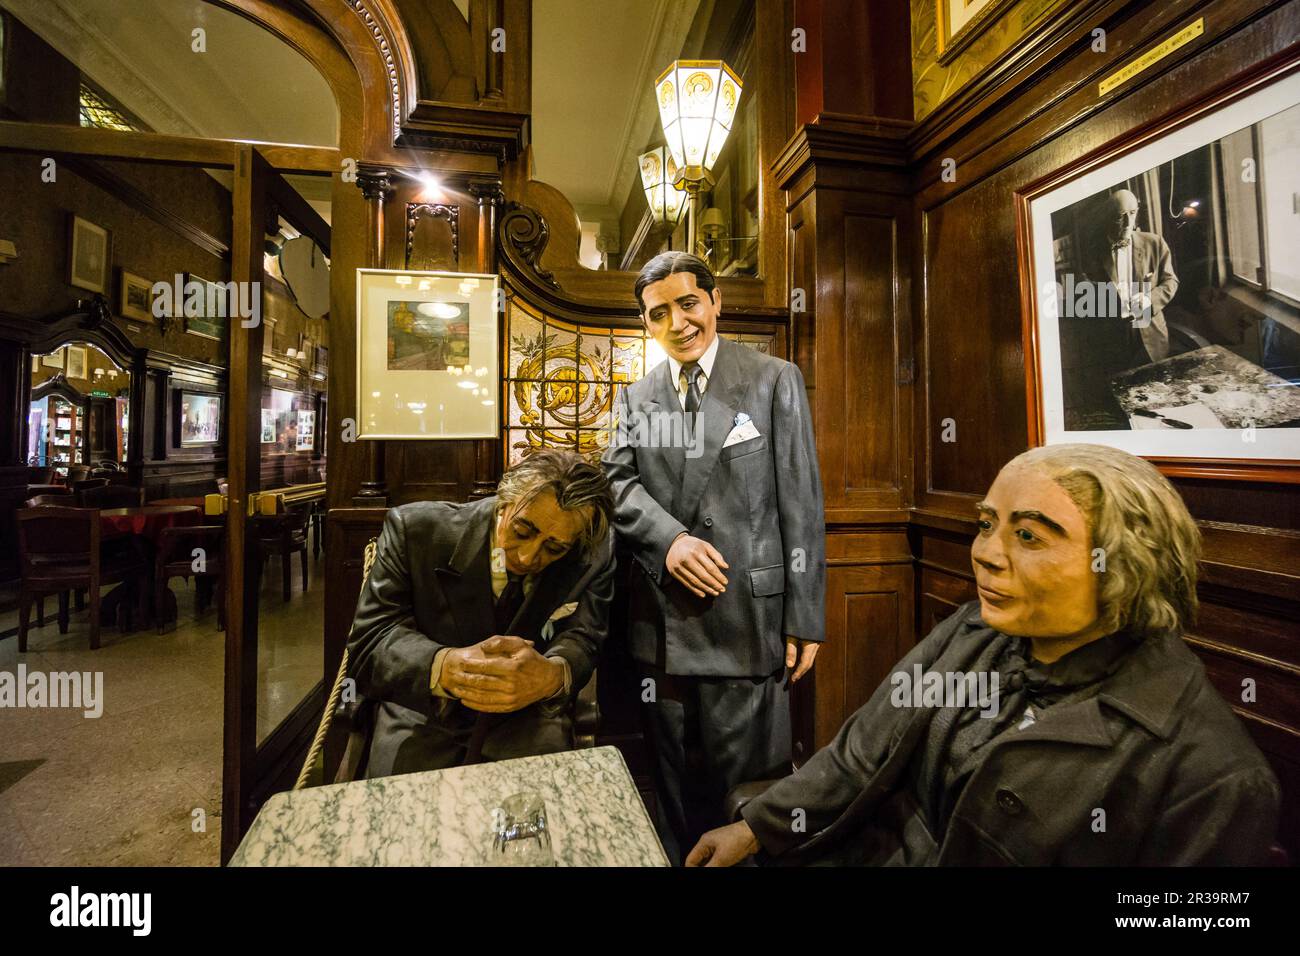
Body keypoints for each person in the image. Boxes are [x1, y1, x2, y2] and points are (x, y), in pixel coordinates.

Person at [687, 443, 1280, 866]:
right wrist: (760, 827)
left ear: (1127, 563)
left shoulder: (1213, 776)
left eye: (1028, 535)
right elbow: (861, 751)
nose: (986, 555)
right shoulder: (974, 629)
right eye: (986, 524)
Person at [602, 251, 826, 863]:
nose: (677, 322)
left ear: (715, 302)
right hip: (663, 626)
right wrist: (670, 539)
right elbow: (618, 485)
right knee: (673, 791)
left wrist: (805, 617)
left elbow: (801, 504)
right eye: (658, 314)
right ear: (646, 324)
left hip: (747, 621)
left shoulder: (772, 378)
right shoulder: (638, 396)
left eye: (688, 304)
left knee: (750, 795)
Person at [347, 449, 616, 777]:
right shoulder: (416, 530)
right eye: (522, 531)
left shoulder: (593, 552)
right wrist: (444, 667)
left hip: (526, 722)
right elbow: (370, 641)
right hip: (423, 720)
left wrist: (552, 675)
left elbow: (585, 637)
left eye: (554, 548)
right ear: (504, 500)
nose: (530, 557)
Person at [1061, 190, 1180, 427]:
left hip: (1151, 335)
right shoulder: (1090, 252)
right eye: (1120, 216)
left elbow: (1171, 281)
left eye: (1132, 214)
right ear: (1107, 217)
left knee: (1158, 403)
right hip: (1111, 338)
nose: (1128, 223)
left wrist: (1150, 300)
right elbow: (1083, 299)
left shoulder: (1154, 243)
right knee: (1120, 405)